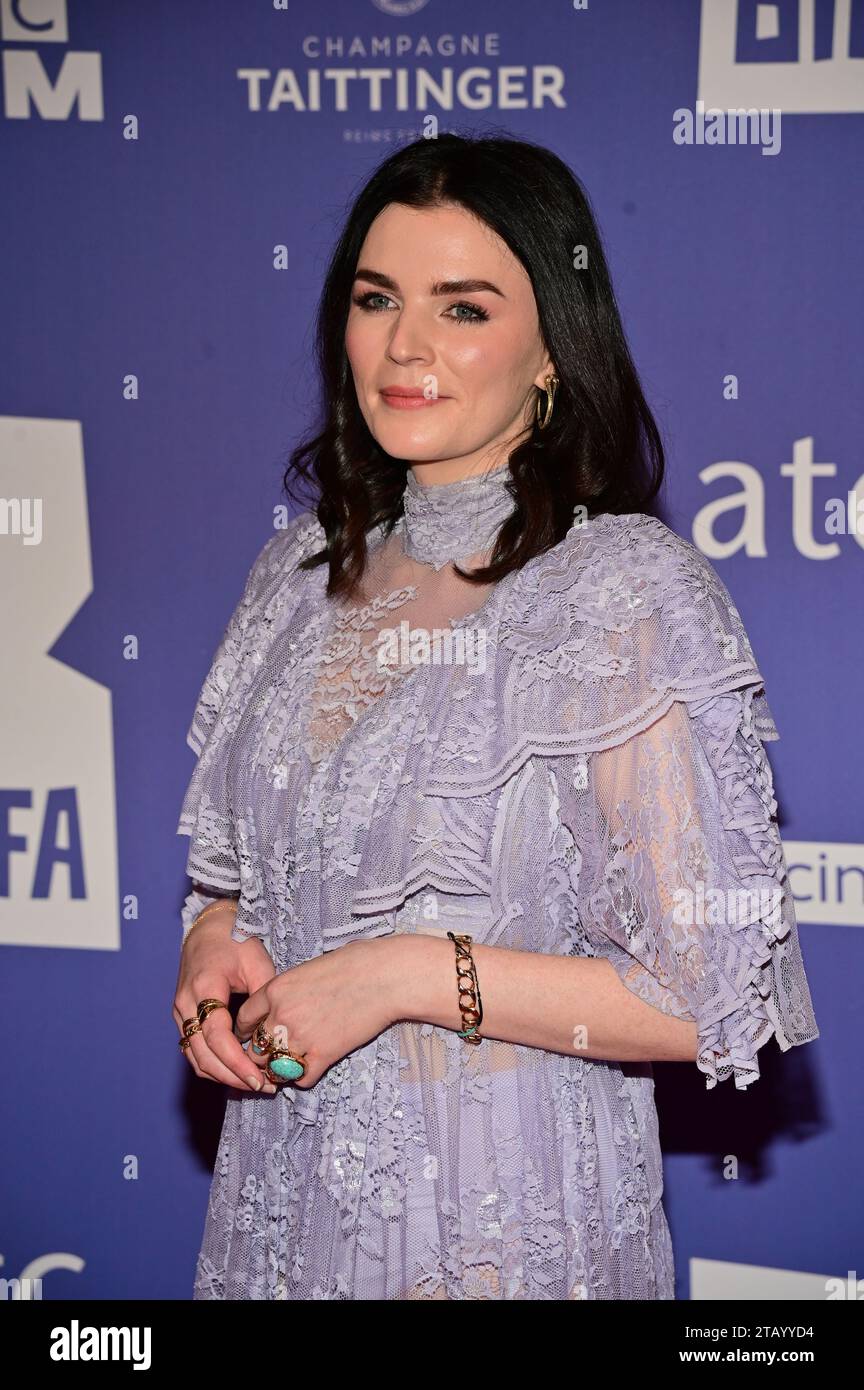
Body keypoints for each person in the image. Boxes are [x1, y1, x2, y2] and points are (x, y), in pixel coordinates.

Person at [172, 133, 820, 1300]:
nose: (405, 346)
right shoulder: (295, 577)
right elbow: (225, 870)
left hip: (499, 1240)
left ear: (551, 355)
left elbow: (709, 998)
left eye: (462, 308)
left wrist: (402, 974)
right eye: (378, 299)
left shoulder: (620, 595)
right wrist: (210, 944)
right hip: (281, 1222)